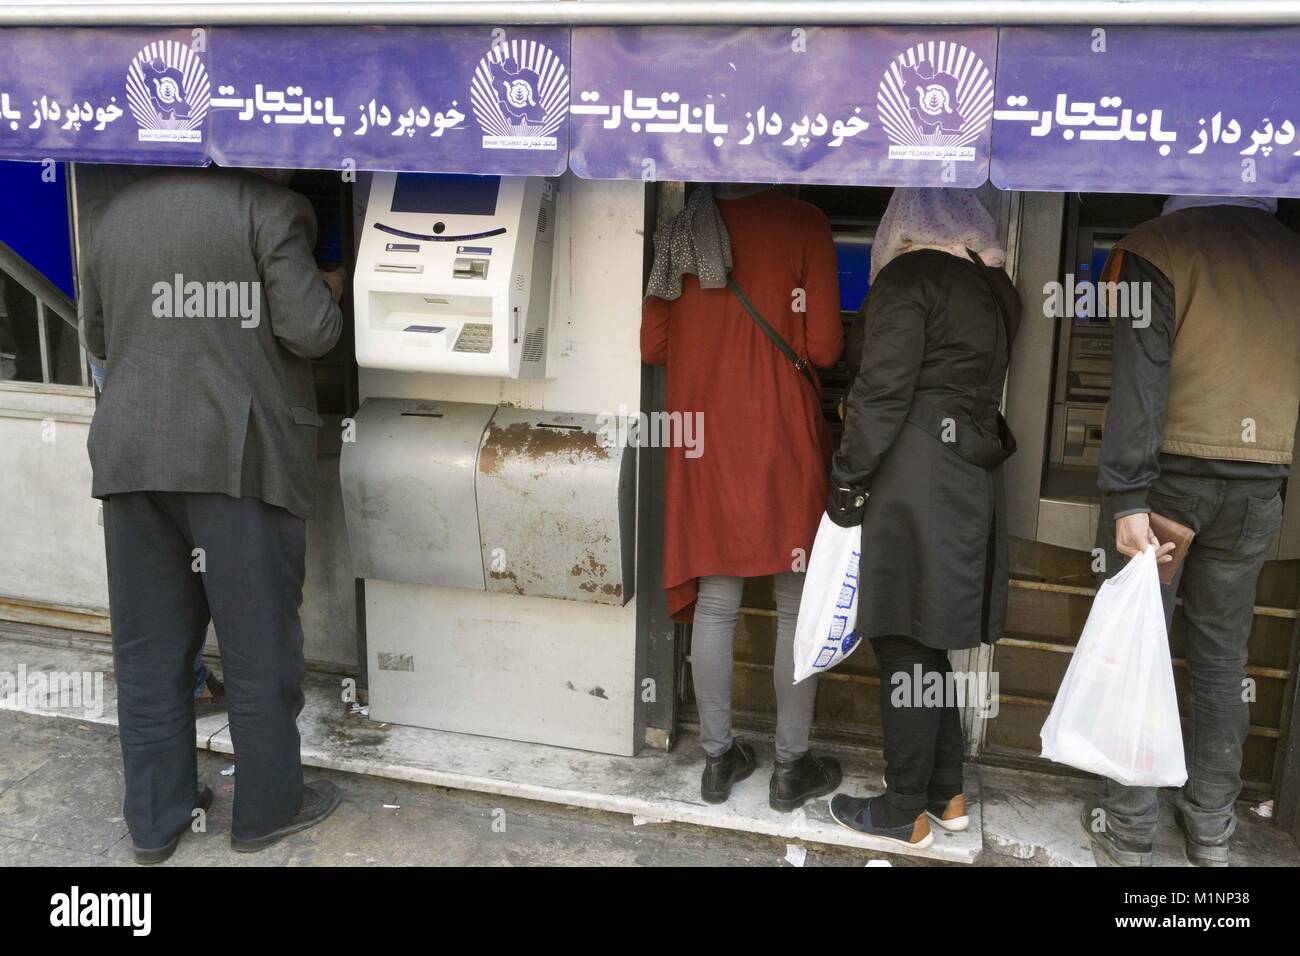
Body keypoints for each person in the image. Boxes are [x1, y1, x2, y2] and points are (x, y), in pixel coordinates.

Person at [82, 165, 344, 863]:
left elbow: (100, 339)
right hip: (236, 460)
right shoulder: (271, 208)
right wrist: (332, 289)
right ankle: (264, 812)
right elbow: (312, 332)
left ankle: (158, 820)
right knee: (258, 651)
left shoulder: (110, 213)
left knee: (149, 654)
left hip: (133, 459)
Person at [1087, 194, 1300, 867]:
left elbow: (1139, 383)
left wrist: (1126, 497)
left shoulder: (1154, 246)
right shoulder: (1291, 251)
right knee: (1221, 660)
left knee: (1137, 650)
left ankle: (1129, 827)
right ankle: (1211, 825)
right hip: (1258, 488)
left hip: (1166, 489)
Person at [826, 185, 1020, 847]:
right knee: (927, 634)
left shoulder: (909, 278)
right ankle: (947, 792)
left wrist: (846, 483)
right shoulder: (997, 288)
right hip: (968, 475)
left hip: (912, 477)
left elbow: (879, 392)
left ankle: (903, 807)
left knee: (903, 641)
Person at [641, 183, 845, 811]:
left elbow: (653, 346)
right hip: (782, 438)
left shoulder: (683, 227)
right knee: (793, 605)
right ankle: (790, 768)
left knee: (718, 603)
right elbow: (825, 347)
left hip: (705, 441)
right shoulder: (804, 222)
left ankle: (716, 761)